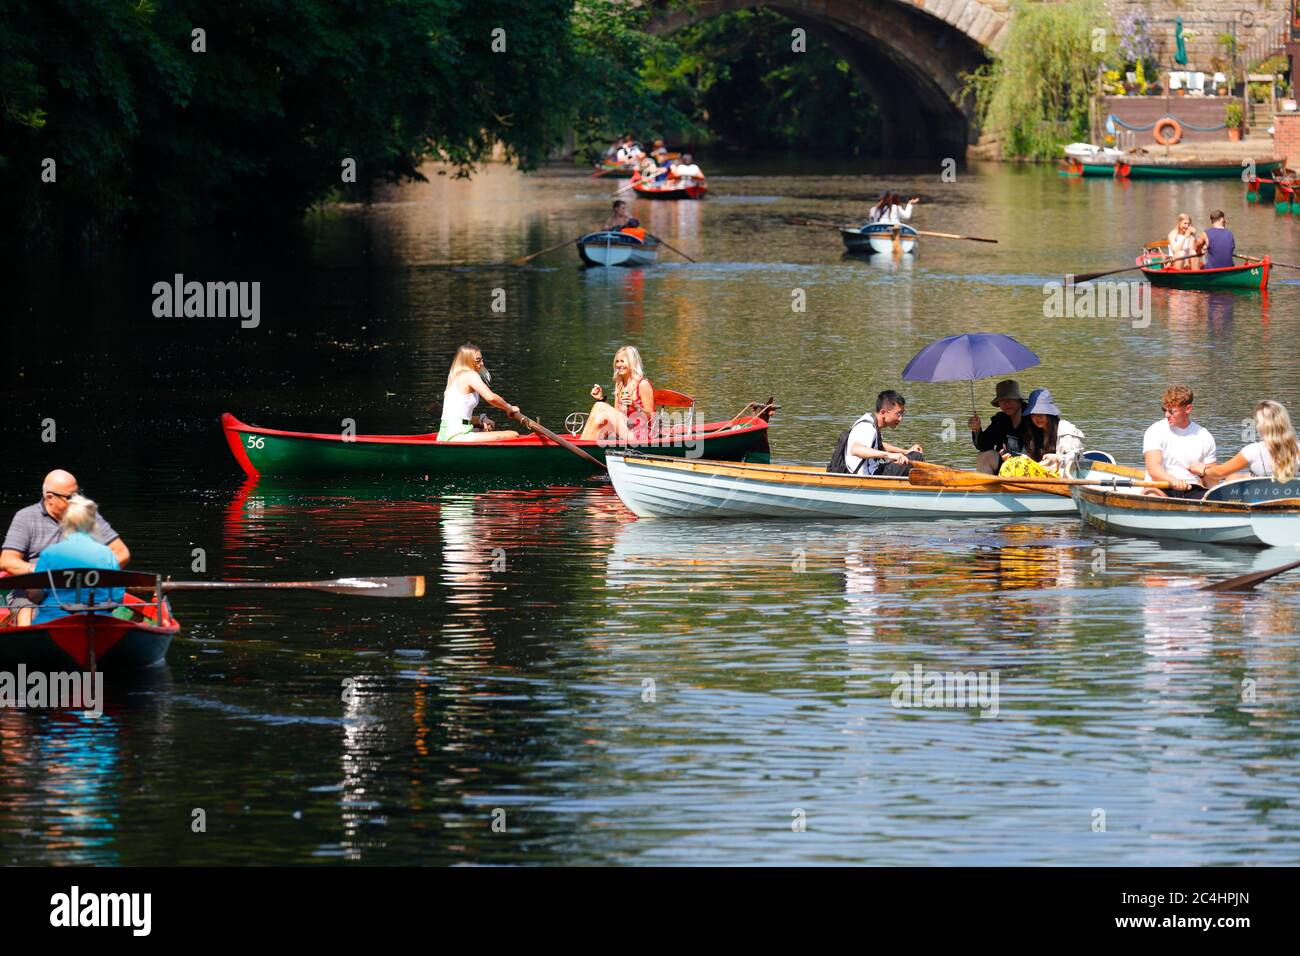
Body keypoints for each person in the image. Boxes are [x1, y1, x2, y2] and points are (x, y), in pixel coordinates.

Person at [2, 470, 130, 627]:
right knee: (27, 606)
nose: (76, 501)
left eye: (78, 494)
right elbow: (6, 560)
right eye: (70, 497)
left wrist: (88, 575)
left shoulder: (87, 514)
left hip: (84, 588)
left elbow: (122, 552)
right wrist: (48, 574)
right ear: (50, 498)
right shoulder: (25, 517)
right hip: (34, 585)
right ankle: (27, 640)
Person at [31, 495, 125, 625]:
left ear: (65, 522)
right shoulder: (107, 554)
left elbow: (34, 596)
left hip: (54, 621)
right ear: (93, 524)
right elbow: (117, 597)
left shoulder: (49, 554)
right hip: (98, 621)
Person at [1196, 399, 1298, 486]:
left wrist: (1202, 471)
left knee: (1220, 478)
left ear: (1261, 425)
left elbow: (1220, 472)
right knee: (1234, 477)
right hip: (1287, 490)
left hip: (1260, 491)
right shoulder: (1297, 448)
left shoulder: (1253, 450)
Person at [1143, 384, 1216, 499]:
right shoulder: (1155, 431)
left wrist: (1204, 473)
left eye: (1172, 411)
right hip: (1161, 486)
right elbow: (1154, 469)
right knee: (1151, 495)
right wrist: (1174, 481)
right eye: (1165, 410)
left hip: (1193, 489)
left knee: (1216, 496)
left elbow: (1212, 481)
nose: (1166, 415)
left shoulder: (1205, 436)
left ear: (1188, 409)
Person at [438, 344, 521, 442]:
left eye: (482, 360)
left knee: (482, 430)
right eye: (478, 360)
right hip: (456, 435)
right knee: (514, 435)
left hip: (445, 434)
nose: (482, 363)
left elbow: (457, 416)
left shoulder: (454, 376)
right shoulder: (470, 375)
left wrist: (480, 420)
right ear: (467, 361)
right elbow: (491, 398)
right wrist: (509, 408)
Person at [997, 388, 1085, 478]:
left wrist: (1058, 458)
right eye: (1034, 414)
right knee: (1011, 462)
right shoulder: (1034, 432)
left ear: (1050, 413)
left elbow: (1077, 458)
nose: (1037, 418)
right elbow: (1031, 461)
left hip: (1060, 477)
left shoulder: (1064, 427)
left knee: (1019, 464)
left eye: (1041, 413)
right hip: (1041, 474)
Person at [580, 346, 656, 442]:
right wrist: (601, 398)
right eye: (617, 361)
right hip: (625, 430)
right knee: (599, 416)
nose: (618, 365)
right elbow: (615, 414)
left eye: (622, 361)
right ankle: (584, 446)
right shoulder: (619, 385)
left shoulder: (643, 384)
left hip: (641, 435)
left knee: (599, 406)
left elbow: (652, 418)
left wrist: (635, 406)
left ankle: (581, 446)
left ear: (632, 362)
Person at [841, 390, 924, 476]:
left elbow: (880, 445)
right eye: (898, 414)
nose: (900, 419)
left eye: (902, 414)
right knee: (917, 456)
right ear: (883, 413)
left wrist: (906, 452)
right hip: (869, 475)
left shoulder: (873, 423)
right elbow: (855, 449)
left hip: (874, 470)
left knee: (913, 455)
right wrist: (889, 455)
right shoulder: (867, 427)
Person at [968, 380, 1035, 475]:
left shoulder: (1033, 418)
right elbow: (984, 446)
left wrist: (1013, 457)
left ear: (1019, 400)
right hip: (1006, 465)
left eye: (1010, 399)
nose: (1006, 404)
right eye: (1002, 401)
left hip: (1031, 465)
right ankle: (987, 489)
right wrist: (976, 429)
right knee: (983, 456)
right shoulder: (1000, 420)